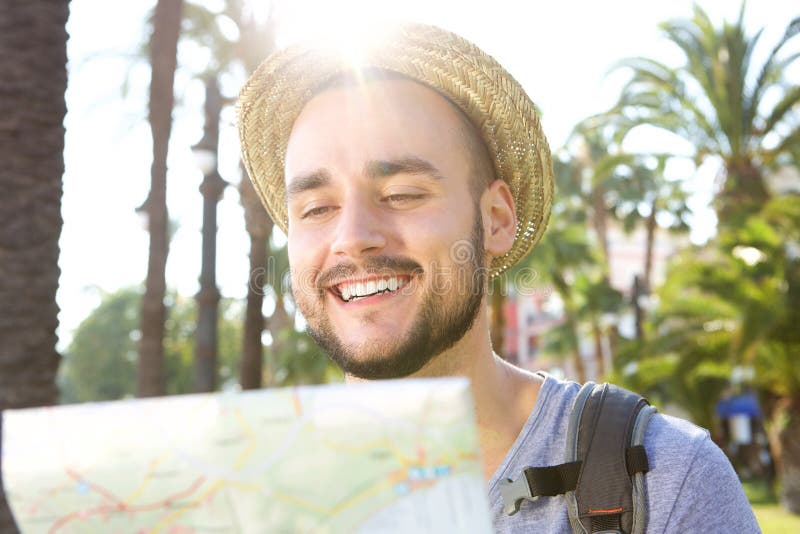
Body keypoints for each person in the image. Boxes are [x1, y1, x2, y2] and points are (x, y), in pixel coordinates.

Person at [237, 23, 760, 533]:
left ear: (496, 219)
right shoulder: (238, 497)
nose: (351, 237)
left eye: (402, 194)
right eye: (317, 207)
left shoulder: (665, 483)